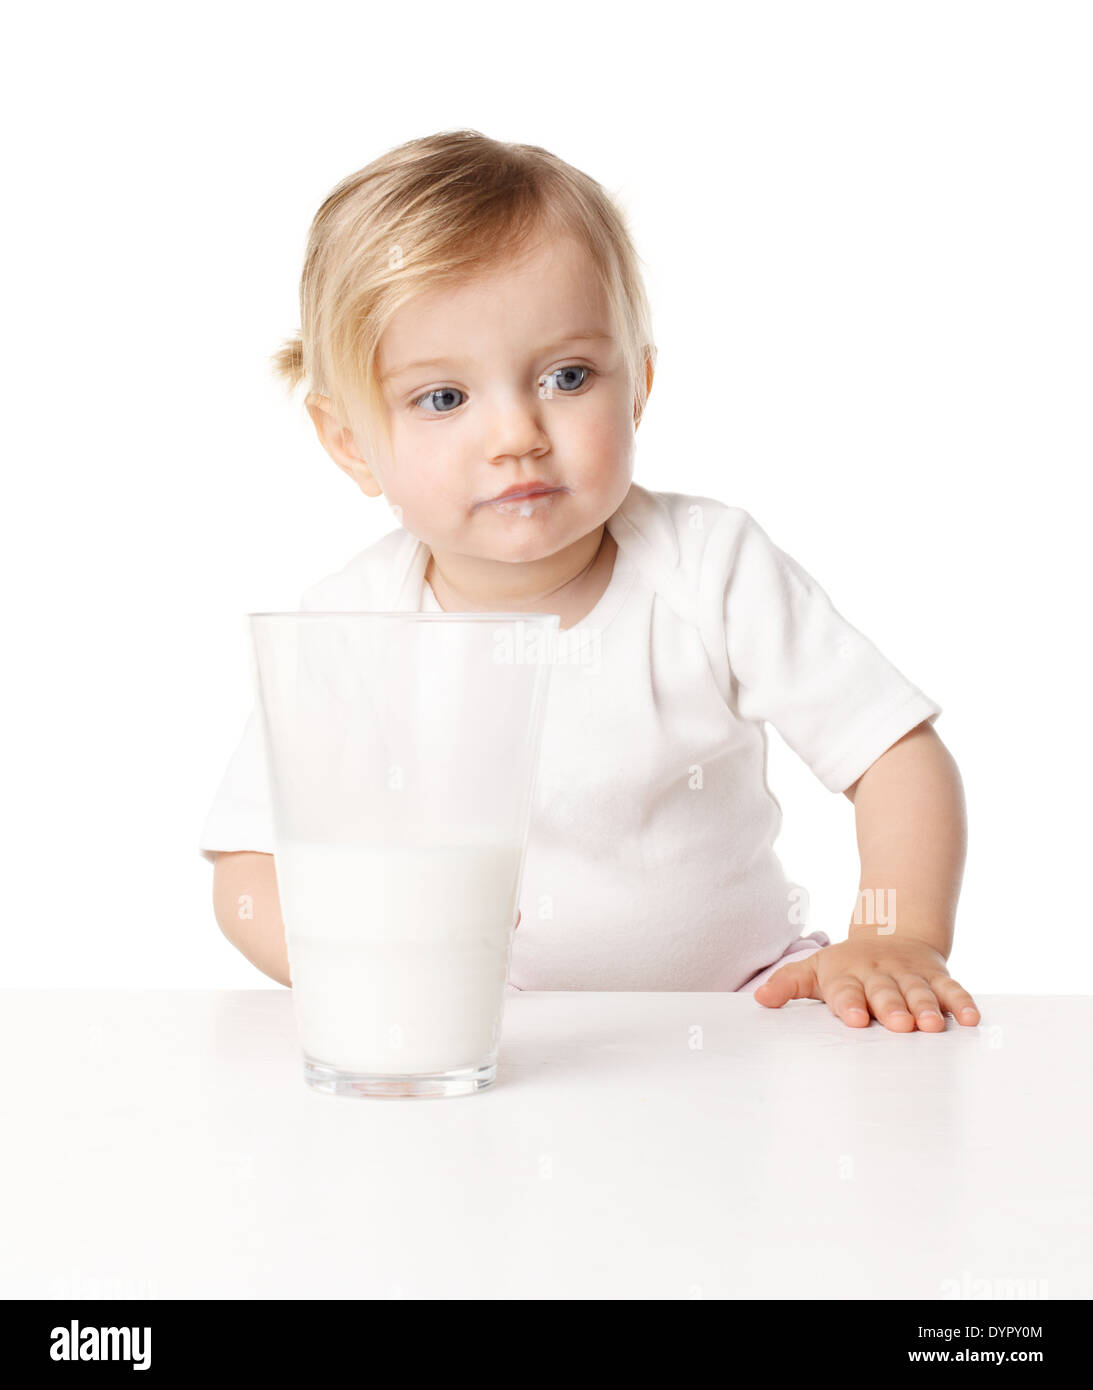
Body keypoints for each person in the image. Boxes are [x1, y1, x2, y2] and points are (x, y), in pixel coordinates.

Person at [200, 129, 979, 1033]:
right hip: (485, 1029)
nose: (517, 435)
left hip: (743, 1014)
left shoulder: (706, 565)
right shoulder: (350, 622)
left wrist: (900, 935)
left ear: (637, 384)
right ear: (349, 442)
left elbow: (890, 755)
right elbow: (248, 860)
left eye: (567, 377)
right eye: (443, 398)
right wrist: (367, 962)